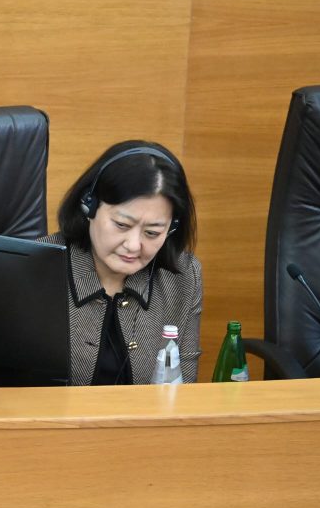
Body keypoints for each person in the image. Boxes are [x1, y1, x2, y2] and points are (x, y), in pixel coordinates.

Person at [38, 141, 202, 385]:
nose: (134, 245)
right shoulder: (35, 267)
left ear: (171, 228)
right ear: (89, 206)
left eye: (152, 233)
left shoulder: (182, 277)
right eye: (122, 225)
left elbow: (183, 390)